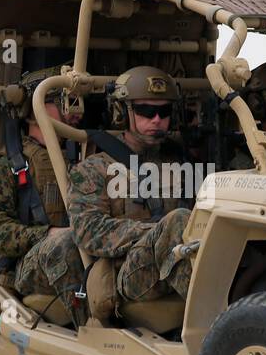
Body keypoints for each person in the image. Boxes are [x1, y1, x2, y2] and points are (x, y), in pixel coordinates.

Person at [66, 66, 193, 313]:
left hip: (182, 260)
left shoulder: (182, 164)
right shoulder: (95, 168)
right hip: (128, 273)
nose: (157, 119)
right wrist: (157, 232)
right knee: (178, 220)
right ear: (122, 112)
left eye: (164, 111)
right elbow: (87, 230)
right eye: (146, 111)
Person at [0, 66, 87, 326]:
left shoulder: (85, 157)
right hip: (27, 267)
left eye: (74, 101)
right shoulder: (10, 167)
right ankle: (90, 329)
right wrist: (47, 234)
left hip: (78, 251)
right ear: (33, 109)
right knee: (64, 247)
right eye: (62, 101)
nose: (72, 110)